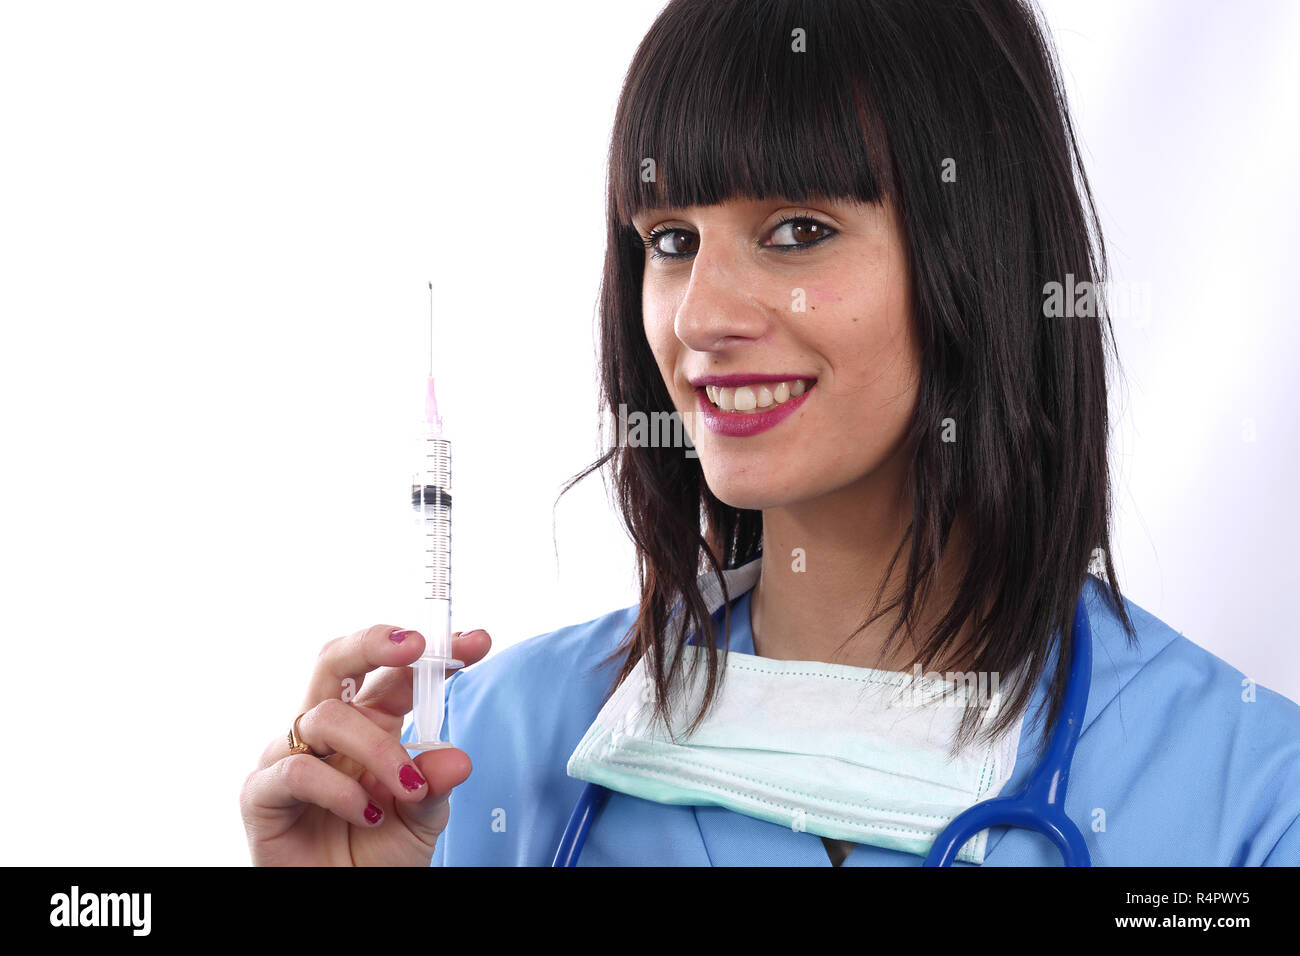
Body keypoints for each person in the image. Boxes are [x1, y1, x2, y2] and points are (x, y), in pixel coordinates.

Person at [240, 0, 1300, 866]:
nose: (700, 316)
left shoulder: (1248, 789)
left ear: (978, 254)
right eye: (669, 238)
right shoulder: (481, 750)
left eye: (796, 232)